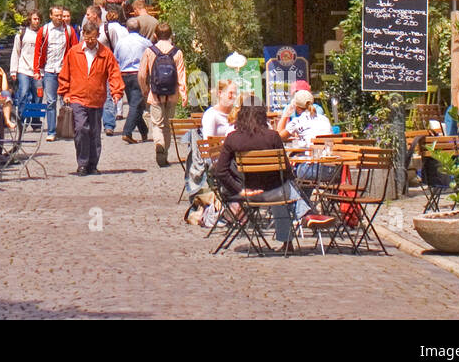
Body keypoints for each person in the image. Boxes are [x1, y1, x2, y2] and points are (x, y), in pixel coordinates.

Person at [213, 103, 332, 246]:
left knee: (281, 189)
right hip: (274, 192)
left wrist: (239, 189)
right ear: (262, 117)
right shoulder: (273, 136)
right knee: (282, 188)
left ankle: (304, 218)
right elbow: (286, 171)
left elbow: (220, 171)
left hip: (247, 193)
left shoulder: (232, 138)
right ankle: (305, 216)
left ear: (241, 117)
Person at [58, 20, 124, 176]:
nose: (90, 41)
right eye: (87, 38)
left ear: (98, 36)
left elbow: (114, 73)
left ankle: (93, 165)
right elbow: (65, 73)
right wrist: (65, 92)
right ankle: (82, 163)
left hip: (96, 98)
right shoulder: (74, 52)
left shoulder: (105, 53)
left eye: (93, 38)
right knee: (81, 129)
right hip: (77, 97)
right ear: (83, 35)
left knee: (94, 133)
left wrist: (116, 92)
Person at [140, 22, 187, 167]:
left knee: (157, 124)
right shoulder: (177, 52)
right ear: (170, 35)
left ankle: (159, 143)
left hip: (155, 93)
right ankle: (164, 153)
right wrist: (183, 94)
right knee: (167, 125)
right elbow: (181, 75)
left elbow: (142, 74)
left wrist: (144, 88)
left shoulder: (150, 51)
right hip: (172, 94)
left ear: (155, 35)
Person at [36, 5, 77, 142]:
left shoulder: (69, 30)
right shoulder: (44, 30)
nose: (60, 18)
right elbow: (38, 51)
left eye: (61, 15)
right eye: (57, 15)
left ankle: (66, 129)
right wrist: (37, 70)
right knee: (51, 101)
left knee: (66, 100)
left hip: (64, 70)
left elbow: (75, 50)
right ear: (51, 16)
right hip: (49, 70)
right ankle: (52, 131)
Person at [112, 17, 151, 144]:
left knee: (135, 104)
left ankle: (144, 131)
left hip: (124, 75)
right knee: (136, 104)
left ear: (127, 29)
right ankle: (127, 132)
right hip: (139, 74)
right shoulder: (145, 42)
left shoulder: (120, 43)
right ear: (139, 29)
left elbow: (116, 59)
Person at [101, 6, 128, 135]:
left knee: (109, 91)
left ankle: (111, 118)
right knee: (118, 86)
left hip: (111, 61)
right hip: (123, 61)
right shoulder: (124, 29)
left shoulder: (106, 28)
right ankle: (119, 111)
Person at [9, 12, 43, 111]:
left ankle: (35, 118)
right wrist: (13, 70)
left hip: (38, 71)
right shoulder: (22, 33)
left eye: (38, 19)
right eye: (34, 19)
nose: (37, 21)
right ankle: (22, 116)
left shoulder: (43, 34)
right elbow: (16, 51)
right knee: (23, 92)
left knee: (38, 96)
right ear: (30, 20)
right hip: (23, 69)